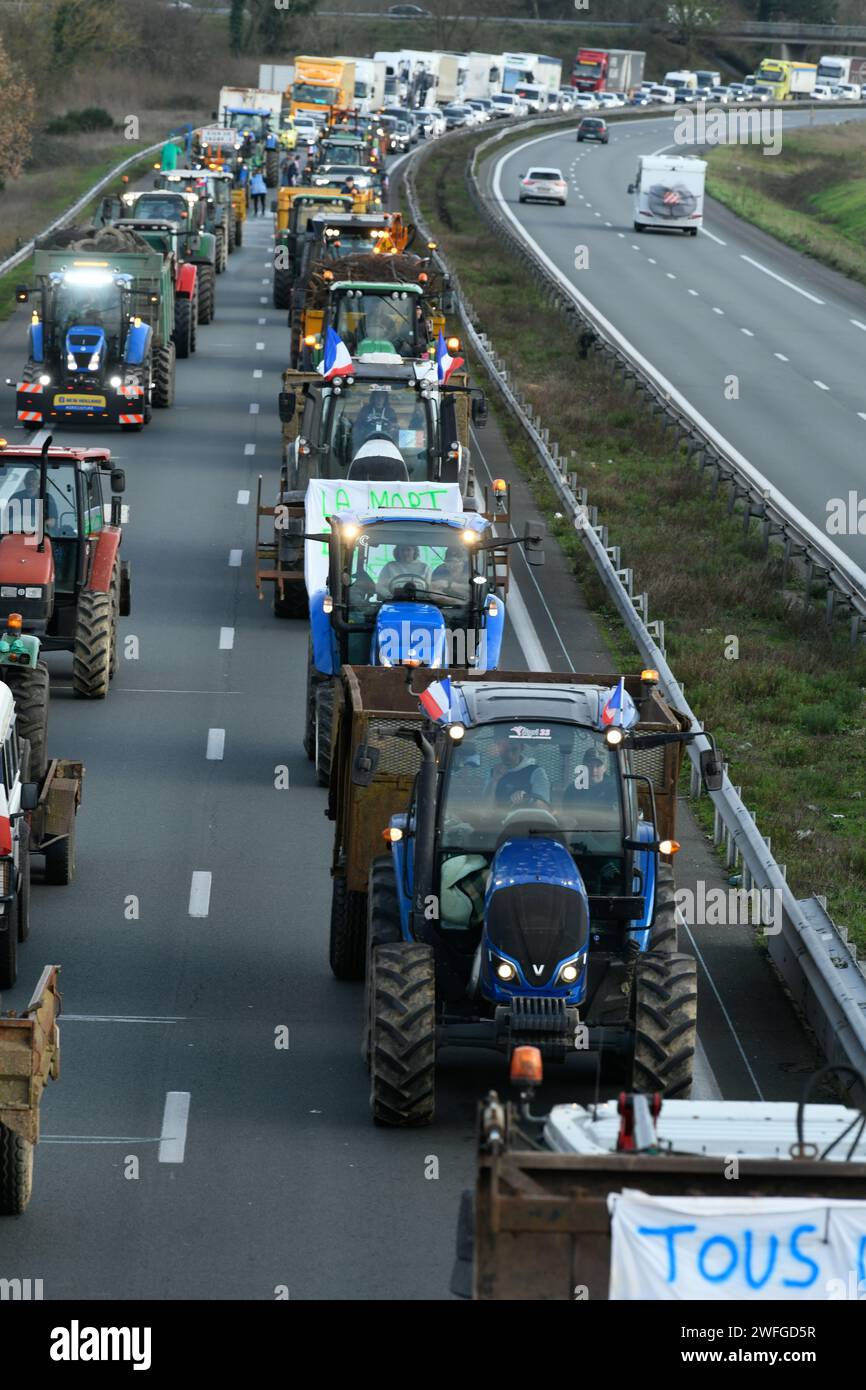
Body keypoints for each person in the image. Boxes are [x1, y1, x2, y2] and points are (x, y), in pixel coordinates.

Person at [485, 730, 551, 810]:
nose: (509, 755)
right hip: (496, 821)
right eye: (504, 750)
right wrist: (494, 781)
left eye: (514, 749)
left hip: (528, 821)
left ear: (522, 748)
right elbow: (486, 811)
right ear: (498, 750)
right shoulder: (493, 772)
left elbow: (544, 808)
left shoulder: (536, 772)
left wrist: (527, 798)